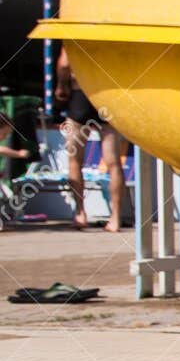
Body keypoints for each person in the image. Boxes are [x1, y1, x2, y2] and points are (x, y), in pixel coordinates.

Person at [55, 48, 127, 232]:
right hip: (108, 96)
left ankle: (80, 214)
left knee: (74, 161)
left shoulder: (76, 31)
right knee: (114, 164)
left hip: (80, 95)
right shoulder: (110, 34)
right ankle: (115, 218)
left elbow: (64, 63)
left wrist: (62, 85)